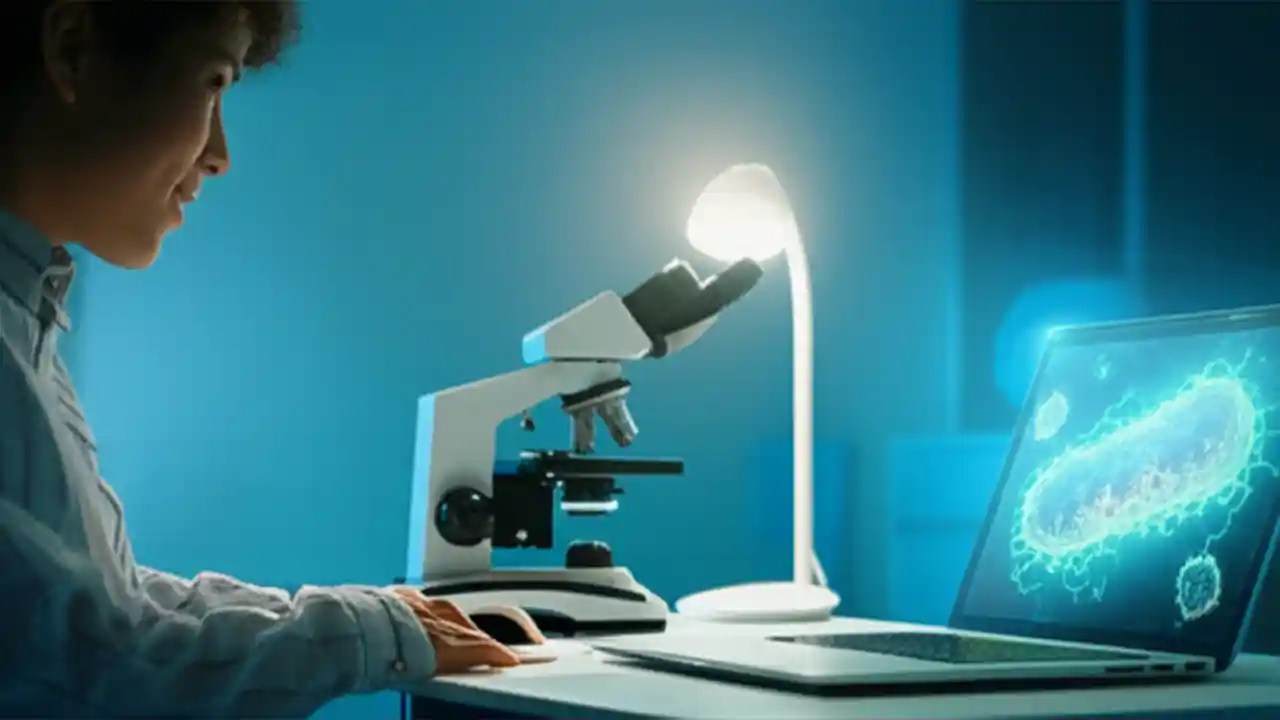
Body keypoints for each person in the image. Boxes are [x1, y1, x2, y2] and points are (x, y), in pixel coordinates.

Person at [0, 1, 544, 716]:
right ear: (73, 52)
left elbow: (98, 604)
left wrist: (370, 617)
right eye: (213, 83)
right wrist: (368, 634)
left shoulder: (24, 319)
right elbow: (88, 668)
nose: (219, 154)